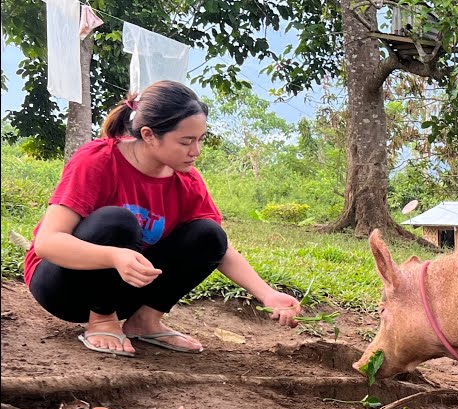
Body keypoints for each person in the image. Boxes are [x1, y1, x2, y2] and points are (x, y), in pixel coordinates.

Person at [24, 80, 300, 356]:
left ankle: (145, 321)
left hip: (126, 290)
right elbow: (48, 243)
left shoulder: (187, 180)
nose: (196, 151)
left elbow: (219, 250)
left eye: (200, 139)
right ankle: (102, 321)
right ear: (149, 135)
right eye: (186, 141)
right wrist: (113, 256)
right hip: (65, 287)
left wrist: (267, 294)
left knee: (210, 234)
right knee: (117, 222)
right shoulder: (98, 160)